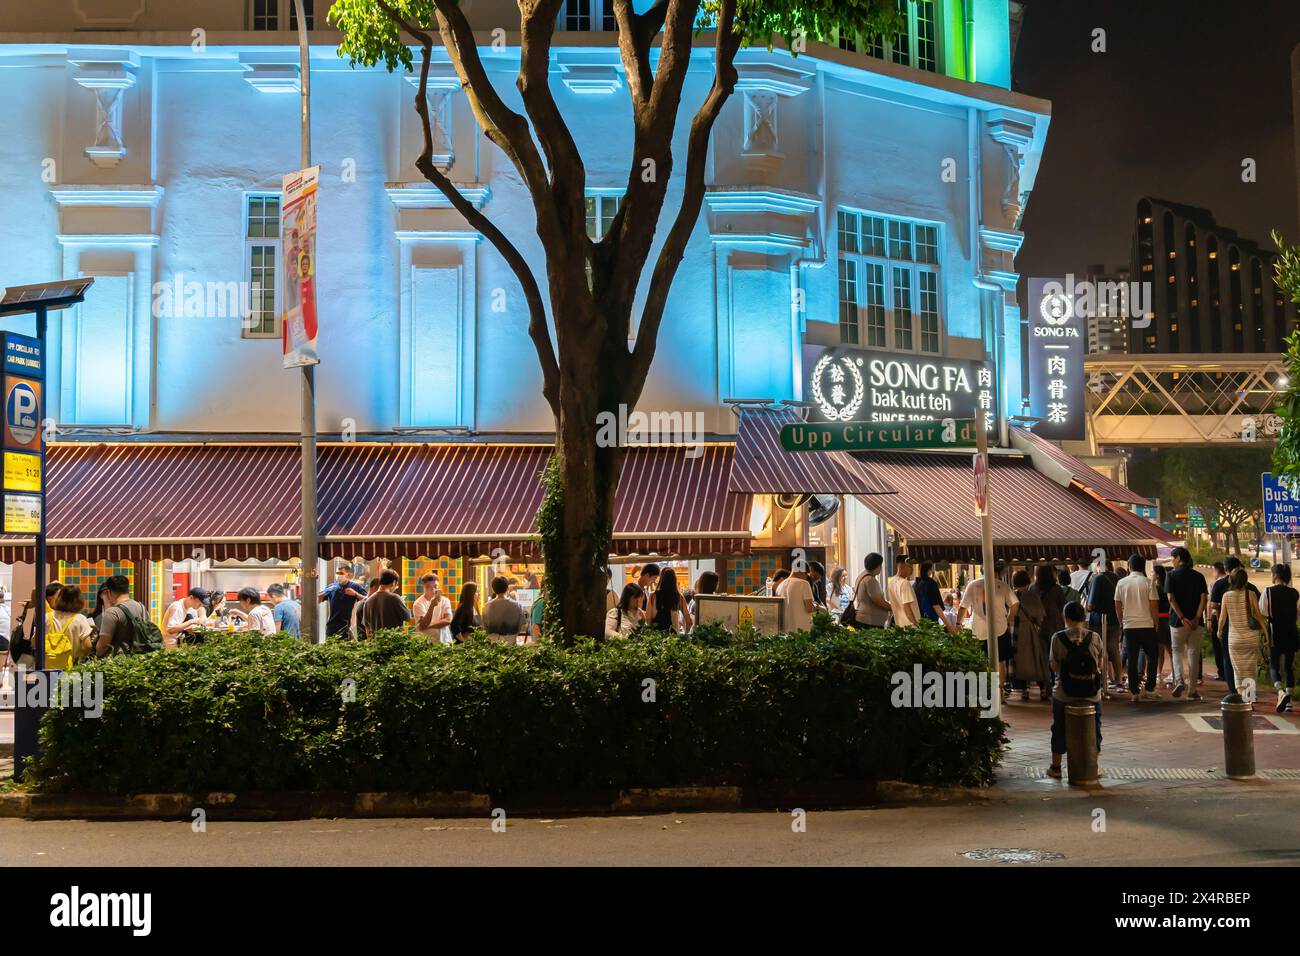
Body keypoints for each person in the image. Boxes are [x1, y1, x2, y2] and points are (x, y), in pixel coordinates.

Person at [1046, 601, 1105, 779]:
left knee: (1059, 729)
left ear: (1066, 618)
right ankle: (1093, 765)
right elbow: (1100, 665)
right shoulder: (1094, 637)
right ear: (1083, 617)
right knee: (1095, 728)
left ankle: (1056, 767)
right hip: (1091, 694)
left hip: (1064, 693)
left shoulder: (1057, 637)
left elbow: (1054, 666)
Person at [958, 560, 1019, 695]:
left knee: (981, 661)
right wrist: (1009, 619)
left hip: (979, 630)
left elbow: (963, 606)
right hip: (1000, 629)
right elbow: (1015, 604)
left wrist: (958, 623)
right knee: (1000, 661)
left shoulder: (972, 585)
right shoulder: (1003, 586)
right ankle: (1000, 690)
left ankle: (984, 690)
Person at [1219, 566, 1269, 706]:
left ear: (1231, 579)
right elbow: (1259, 617)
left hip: (1235, 640)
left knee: (1238, 671)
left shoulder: (1226, 596)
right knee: (1250, 669)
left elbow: (1222, 619)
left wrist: (1219, 631)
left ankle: (1245, 700)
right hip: (1251, 639)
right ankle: (1250, 697)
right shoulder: (1251, 594)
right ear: (1245, 580)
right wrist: (1266, 634)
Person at [1114, 553, 1160, 701]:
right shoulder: (1148, 583)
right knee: (1152, 657)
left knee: (1132, 659)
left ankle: (1134, 691)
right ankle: (1149, 688)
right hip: (1147, 625)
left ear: (1129, 566)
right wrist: (1156, 622)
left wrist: (1121, 622)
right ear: (1142, 567)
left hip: (1129, 626)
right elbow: (1154, 605)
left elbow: (1117, 604)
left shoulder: (1121, 583)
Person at [1164, 547, 1207, 700]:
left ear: (1178, 558)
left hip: (1177, 622)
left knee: (1177, 652)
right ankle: (1192, 690)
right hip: (1196, 623)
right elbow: (1203, 599)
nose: (1172, 561)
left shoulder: (1171, 575)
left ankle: (1179, 681)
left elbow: (1170, 598)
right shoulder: (1199, 576)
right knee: (1194, 654)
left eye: (1172, 558)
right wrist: (1196, 617)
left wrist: (1182, 617)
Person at [1259, 564, 1298, 713]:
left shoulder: (1268, 592)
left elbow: (1263, 611)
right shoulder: (1294, 593)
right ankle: (1289, 701)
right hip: (1291, 631)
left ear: (1275, 575)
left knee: (1274, 665)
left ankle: (1280, 692)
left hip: (1275, 631)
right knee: (1289, 666)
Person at [1084, 562, 1123, 695]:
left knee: (1099, 649)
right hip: (1115, 619)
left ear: (1100, 566)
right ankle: (1118, 680)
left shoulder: (1098, 578)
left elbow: (1090, 605)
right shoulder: (1117, 578)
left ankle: (1101, 680)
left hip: (1099, 620)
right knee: (1114, 648)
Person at [1010, 569, 1047, 700]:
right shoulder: (1033, 596)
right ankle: (1042, 689)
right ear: (1027, 581)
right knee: (1036, 659)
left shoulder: (1013, 595)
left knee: (1019, 660)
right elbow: (1040, 616)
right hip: (1031, 630)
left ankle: (1024, 689)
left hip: (1016, 630)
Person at [1033, 563, 1067, 699]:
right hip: (1056, 627)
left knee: (1042, 658)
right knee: (1057, 657)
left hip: (1038, 626)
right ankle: (1057, 684)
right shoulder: (1057, 589)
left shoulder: (1032, 589)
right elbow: (1062, 607)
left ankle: (1044, 688)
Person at [94, 575, 145, 658]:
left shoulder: (112, 612)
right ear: (128, 590)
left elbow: (103, 645)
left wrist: (97, 652)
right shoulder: (141, 607)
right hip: (140, 659)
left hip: (120, 663)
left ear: (109, 592)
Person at [46, 585, 96, 669]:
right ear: (79, 600)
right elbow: (87, 646)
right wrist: (79, 656)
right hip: (70, 668)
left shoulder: (46, 617)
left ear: (59, 598)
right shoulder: (80, 619)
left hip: (46, 669)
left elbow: (34, 643)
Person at [319, 564, 368, 639]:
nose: (339, 576)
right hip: (331, 627)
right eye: (337, 573)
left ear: (348, 574)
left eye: (341, 573)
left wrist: (355, 594)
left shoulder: (355, 587)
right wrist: (321, 594)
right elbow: (318, 600)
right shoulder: (331, 587)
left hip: (347, 627)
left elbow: (367, 600)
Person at [360, 569, 412, 638]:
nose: (396, 587)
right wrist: (402, 603)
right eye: (396, 584)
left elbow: (366, 626)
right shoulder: (395, 598)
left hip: (376, 643)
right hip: (393, 642)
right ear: (393, 582)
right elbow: (408, 617)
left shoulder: (368, 601)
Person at [850, 553, 891, 629]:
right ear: (878, 566)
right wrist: (893, 607)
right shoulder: (870, 580)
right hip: (870, 621)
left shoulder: (862, 576)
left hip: (864, 619)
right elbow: (879, 602)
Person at [647, 567, 693, 634]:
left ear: (661, 579)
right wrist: (684, 636)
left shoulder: (653, 596)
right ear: (674, 580)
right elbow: (689, 622)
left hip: (656, 639)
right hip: (673, 639)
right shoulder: (679, 597)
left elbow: (648, 619)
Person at [412, 572, 454, 644]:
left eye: (435, 586)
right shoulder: (418, 603)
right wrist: (432, 606)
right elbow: (423, 625)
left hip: (444, 641)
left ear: (438, 587)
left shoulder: (445, 600)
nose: (432, 589)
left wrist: (429, 625)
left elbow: (448, 620)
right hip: (426, 642)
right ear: (424, 587)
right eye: (428, 587)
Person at [482, 575, 527, 641]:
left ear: (493, 589)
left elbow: (484, 628)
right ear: (507, 588)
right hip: (511, 643)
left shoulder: (486, 607)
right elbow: (523, 626)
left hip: (492, 645)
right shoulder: (517, 605)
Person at [1205, 560, 1229, 682]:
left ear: (1216, 570)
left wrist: (1208, 619)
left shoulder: (1214, 584)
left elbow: (1211, 604)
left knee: (1218, 646)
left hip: (1217, 617)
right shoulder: (1232, 582)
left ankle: (1222, 673)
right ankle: (1229, 672)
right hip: (1230, 617)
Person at [1153, 564, 1173, 687]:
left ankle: (1158, 675)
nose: (1151, 574)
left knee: (1159, 650)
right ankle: (1175, 673)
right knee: (1171, 649)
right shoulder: (1167, 587)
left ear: (1157, 575)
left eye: (1153, 572)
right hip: (1168, 619)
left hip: (1159, 619)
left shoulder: (1155, 588)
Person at [778, 567, 816, 633]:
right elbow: (809, 608)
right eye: (806, 574)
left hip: (786, 630)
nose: (806, 577)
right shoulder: (804, 583)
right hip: (802, 630)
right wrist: (817, 606)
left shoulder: (780, 585)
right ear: (801, 571)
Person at [887, 556, 920, 627]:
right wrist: (916, 626)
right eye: (910, 565)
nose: (912, 569)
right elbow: (907, 609)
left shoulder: (891, 582)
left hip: (900, 627)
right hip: (911, 628)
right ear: (903, 565)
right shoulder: (905, 583)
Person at [912, 560, 946, 629]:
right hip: (930, 623)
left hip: (919, 623)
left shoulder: (915, 584)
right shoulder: (931, 583)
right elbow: (936, 606)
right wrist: (948, 625)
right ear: (930, 570)